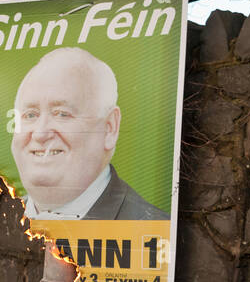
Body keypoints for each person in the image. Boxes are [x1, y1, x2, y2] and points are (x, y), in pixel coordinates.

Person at [9, 47, 168, 221]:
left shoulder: (151, 226)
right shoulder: (1, 217)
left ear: (109, 128)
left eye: (62, 114)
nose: (40, 134)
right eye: (30, 115)